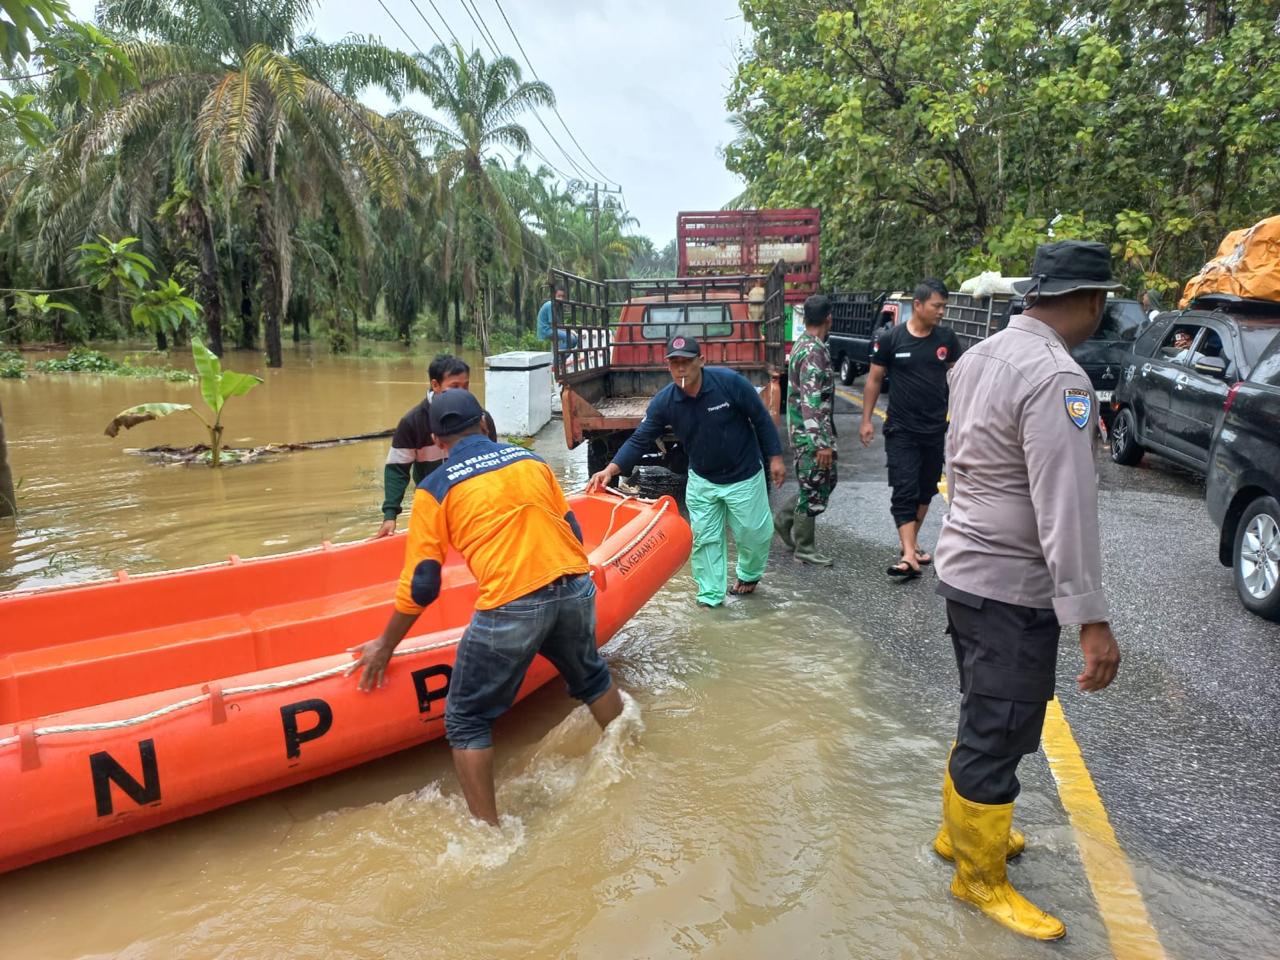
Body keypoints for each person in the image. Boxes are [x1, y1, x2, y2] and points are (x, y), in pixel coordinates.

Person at [933, 240, 1123, 941]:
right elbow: (1064, 506)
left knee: (982, 709)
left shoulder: (980, 355)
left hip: (964, 571)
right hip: (1011, 585)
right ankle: (978, 879)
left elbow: (962, 461)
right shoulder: (1057, 377)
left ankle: (962, 835)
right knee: (1002, 725)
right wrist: (1090, 619)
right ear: (1093, 301)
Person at [350, 389, 624, 826]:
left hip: (513, 606)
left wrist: (384, 645)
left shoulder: (435, 487)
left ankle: (490, 833)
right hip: (574, 586)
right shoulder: (530, 462)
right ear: (483, 424)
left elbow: (422, 585)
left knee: (466, 721)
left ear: (438, 442)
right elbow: (571, 527)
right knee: (592, 677)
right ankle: (628, 758)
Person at [585, 334, 786, 607]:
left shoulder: (730, 384)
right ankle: (710, 596)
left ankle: (749, 575)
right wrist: (611, 468)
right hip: (702, 479)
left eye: (687, 362)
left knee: (755, 534)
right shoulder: (665, 402)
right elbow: (640, 438)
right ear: (668, 366)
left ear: (701, 361)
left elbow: (761, 419)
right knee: (705, 539)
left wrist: (775, 457)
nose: (681, 368)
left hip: (744, 474)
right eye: (675, 363)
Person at [859, 278, 963, 578]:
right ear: (917, 305)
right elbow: (874, 380)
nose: (941, 311)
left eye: (944, 306)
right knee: (903, 488)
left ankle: (912, 545)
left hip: (934, 429)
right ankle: (907, 553)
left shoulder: (946, 339)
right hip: (901, 429)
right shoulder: (893, 339)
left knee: (925, 490)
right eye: (937, 305)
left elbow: (961, 378)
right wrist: (866, 419)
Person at [376, 354, 496, 538]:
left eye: (466, 386)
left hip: (473, 502)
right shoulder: (413, 422)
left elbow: (493, 464)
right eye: (454, 386)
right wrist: (390, 515)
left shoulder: (480, 418)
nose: (462, 393)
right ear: (435, 385)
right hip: (433, 501)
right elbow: (397, 470)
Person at [775, 294, 837, 566]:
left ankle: (785, 519)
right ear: (828, 318)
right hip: (810, 435)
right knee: (814, 487)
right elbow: (811, 401)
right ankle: (805, 548)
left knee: (824, 482)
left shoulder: (807, 344)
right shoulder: (813, 351)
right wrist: (820, 443)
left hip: (809, 432)